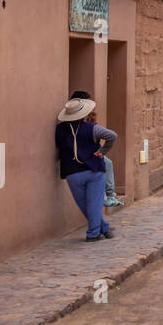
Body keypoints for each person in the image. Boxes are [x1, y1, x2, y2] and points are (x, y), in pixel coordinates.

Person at [55, 93, 117, 241]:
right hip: (94, 170)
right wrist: (101, 152)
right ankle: (93, 234)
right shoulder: (92, 128)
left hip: (72, 173)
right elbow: (112, 136)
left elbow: (58, 145)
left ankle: (104, 229)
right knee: (94, 205)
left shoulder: (59, 130)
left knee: (86, 205)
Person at [80, 98, 124, 208]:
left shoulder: (88, 125)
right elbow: (112, 135)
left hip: (87, 155)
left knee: (107, 163)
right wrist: (102, 152)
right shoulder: (89, 127)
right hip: (86, 156)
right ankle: (109, 196)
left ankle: (110, 196)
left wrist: (101, 152)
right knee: (106, 164)